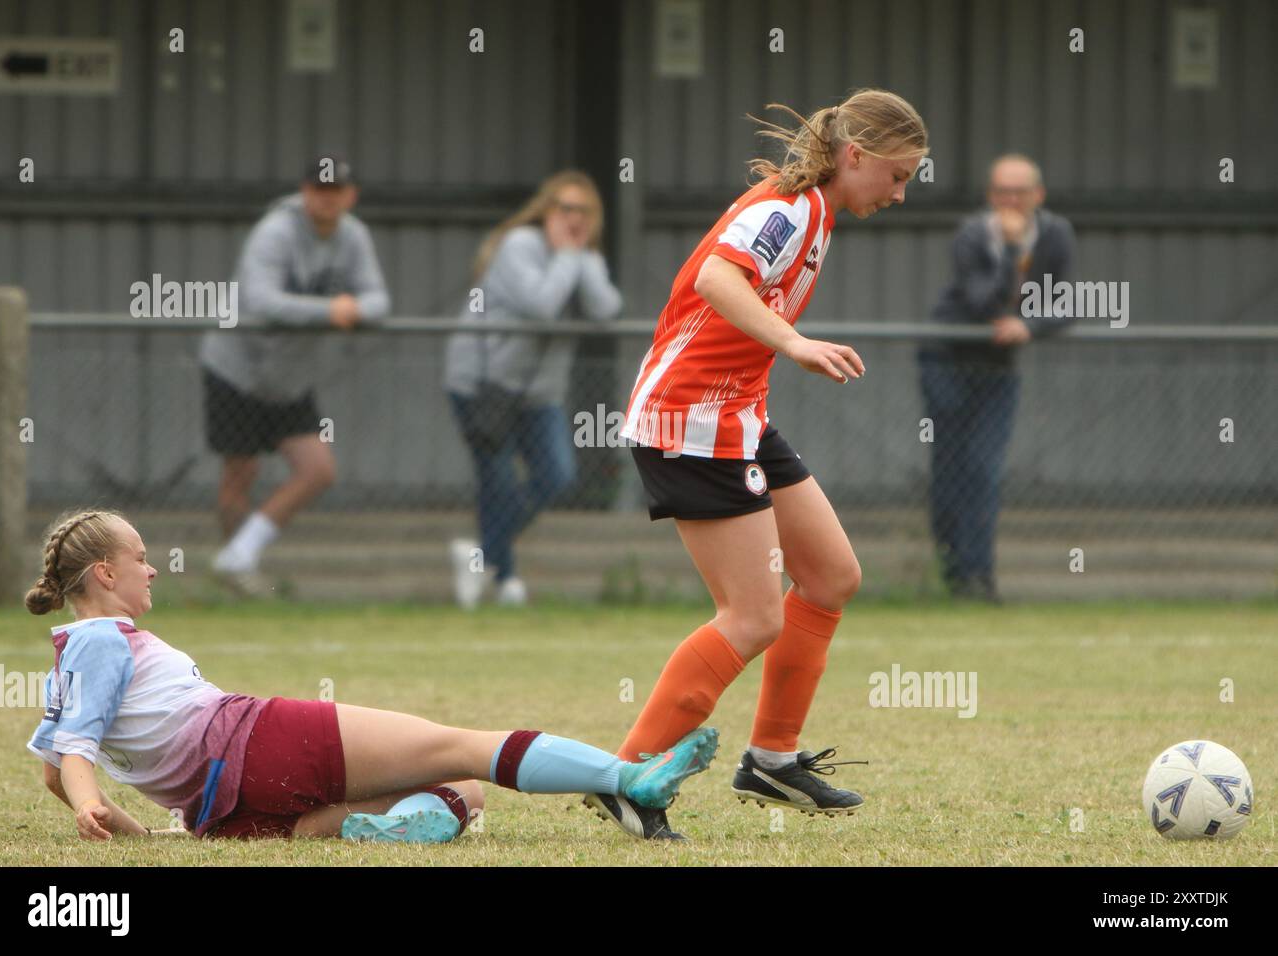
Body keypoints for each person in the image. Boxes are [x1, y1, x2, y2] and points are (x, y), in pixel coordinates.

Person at [589, 90, 928, 840]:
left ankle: (771, 760)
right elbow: (717, 277)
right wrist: (796, 344)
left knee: (832, 576)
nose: (902, 194)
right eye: (898, 175)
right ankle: (629, 778)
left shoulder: (817, 212)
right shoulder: (789, 205)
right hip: (691, 420)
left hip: (737, 415)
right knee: (752, 615)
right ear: (856, 155)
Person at [24, 510, 717, 842]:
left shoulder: (71, 657)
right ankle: (630, 780)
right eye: (140, 558)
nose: (151, 569)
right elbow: (77, 757)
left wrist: (122, 827)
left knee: (463, 791)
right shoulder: (105, 641)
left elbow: (58, 770)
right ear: (106, 573)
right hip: (262, 741)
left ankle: (374, 834)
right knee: (464, 747)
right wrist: (94, 803)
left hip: (224, 814)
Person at [198, 156, 390, 597]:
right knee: (239, 474)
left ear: (350, 195)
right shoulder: (275, 231)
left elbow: (379, 299)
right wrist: (331, 311)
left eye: (336, 190)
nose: (327, 198)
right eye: (319, 189)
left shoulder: (354, 236)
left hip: (291, 379)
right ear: (305, 192)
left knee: (318, 470)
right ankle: (235, 579)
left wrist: (355, 309)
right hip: (238, 368)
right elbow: (261, 300)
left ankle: (238, 556)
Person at [443, 170, 623, 609]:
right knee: (498, 480)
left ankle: (481, 558)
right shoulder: (519, 247)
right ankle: (505, 581)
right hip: (483, 384)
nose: (574, 218)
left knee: (556, 476)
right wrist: (568, 258)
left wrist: (580, 260)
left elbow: (607, 310)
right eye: (565, 208)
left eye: (584, 211)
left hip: (540, 393)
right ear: (546, 211)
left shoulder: (583, 257)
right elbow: (541, 306)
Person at [918, 154, 1077, 601]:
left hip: (998, 368)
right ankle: (951, 575)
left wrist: (1030, 326)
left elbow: (1063, 305)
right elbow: (980, 304)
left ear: (1038, 196)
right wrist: (1009, 250)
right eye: (1002, 192)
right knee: (950, 470)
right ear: (991, 196)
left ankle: (980, 579)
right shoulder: (973, 235)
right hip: (946, 361)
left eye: (1020, 192)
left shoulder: (1056, 235)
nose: (1011, 200)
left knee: (984, 470)